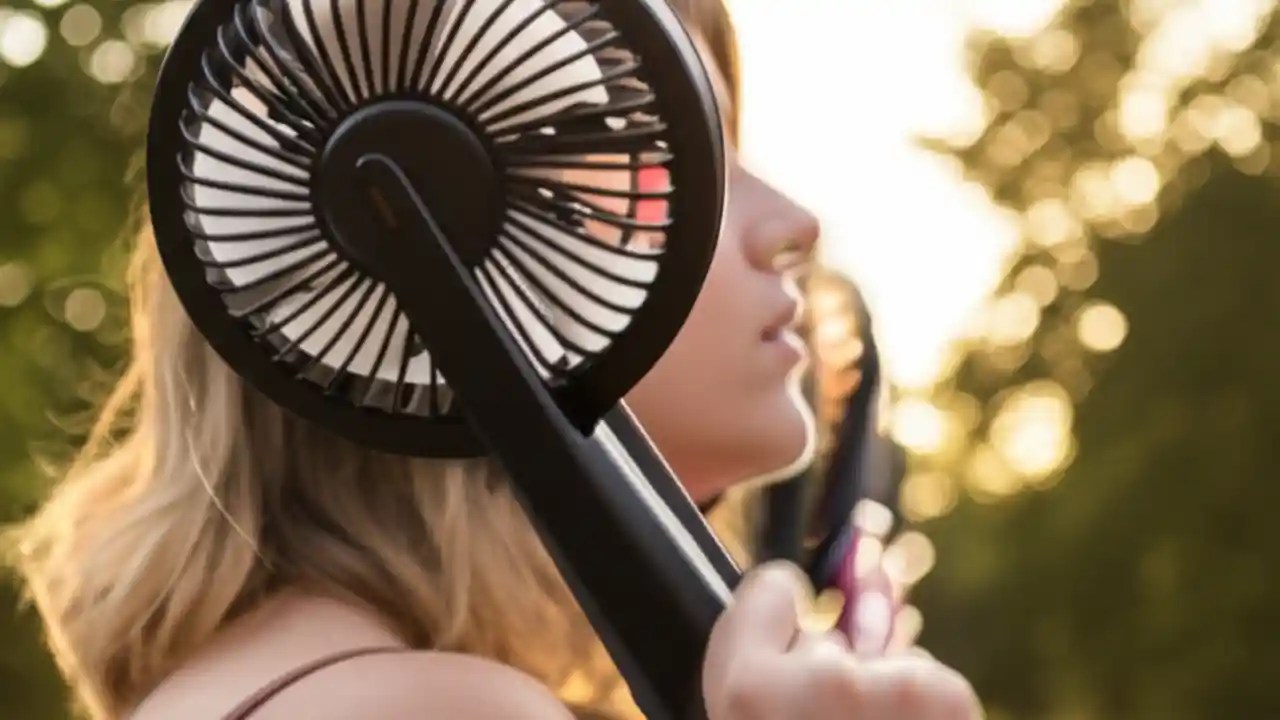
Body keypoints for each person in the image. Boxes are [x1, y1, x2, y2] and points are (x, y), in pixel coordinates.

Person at [5, 0, 982, 718]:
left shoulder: (309, 684)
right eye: (685, 156)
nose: (792, 225)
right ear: (424, 238)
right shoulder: (428, 710)